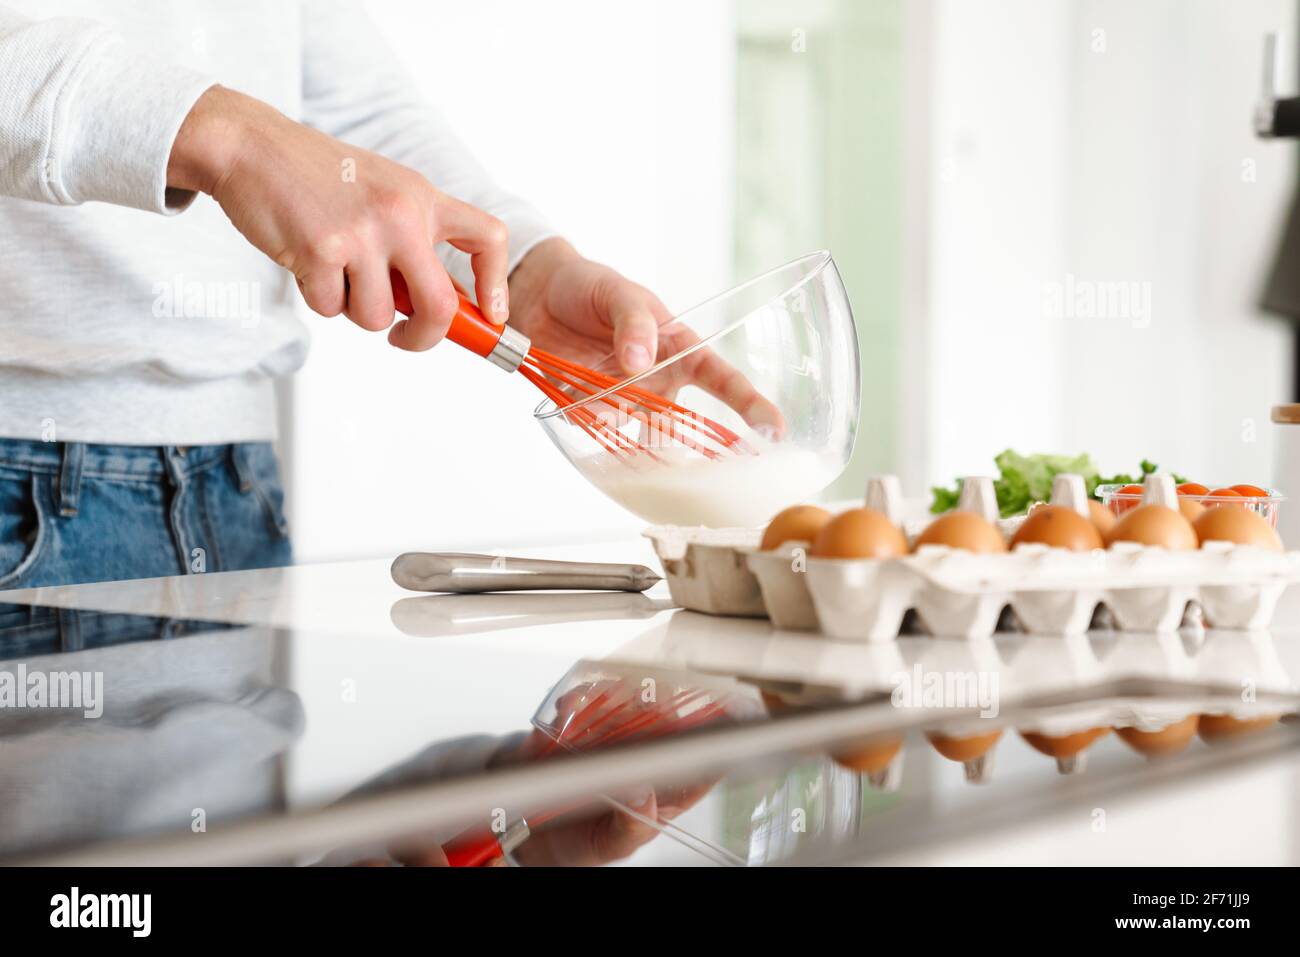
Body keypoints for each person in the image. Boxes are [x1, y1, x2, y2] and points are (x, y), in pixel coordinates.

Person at [0, 0, 686, 589]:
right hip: (21, 472)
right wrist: (233, 139)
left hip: (236, 481)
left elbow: (354, 112)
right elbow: (279, 144)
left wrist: (520, 272)